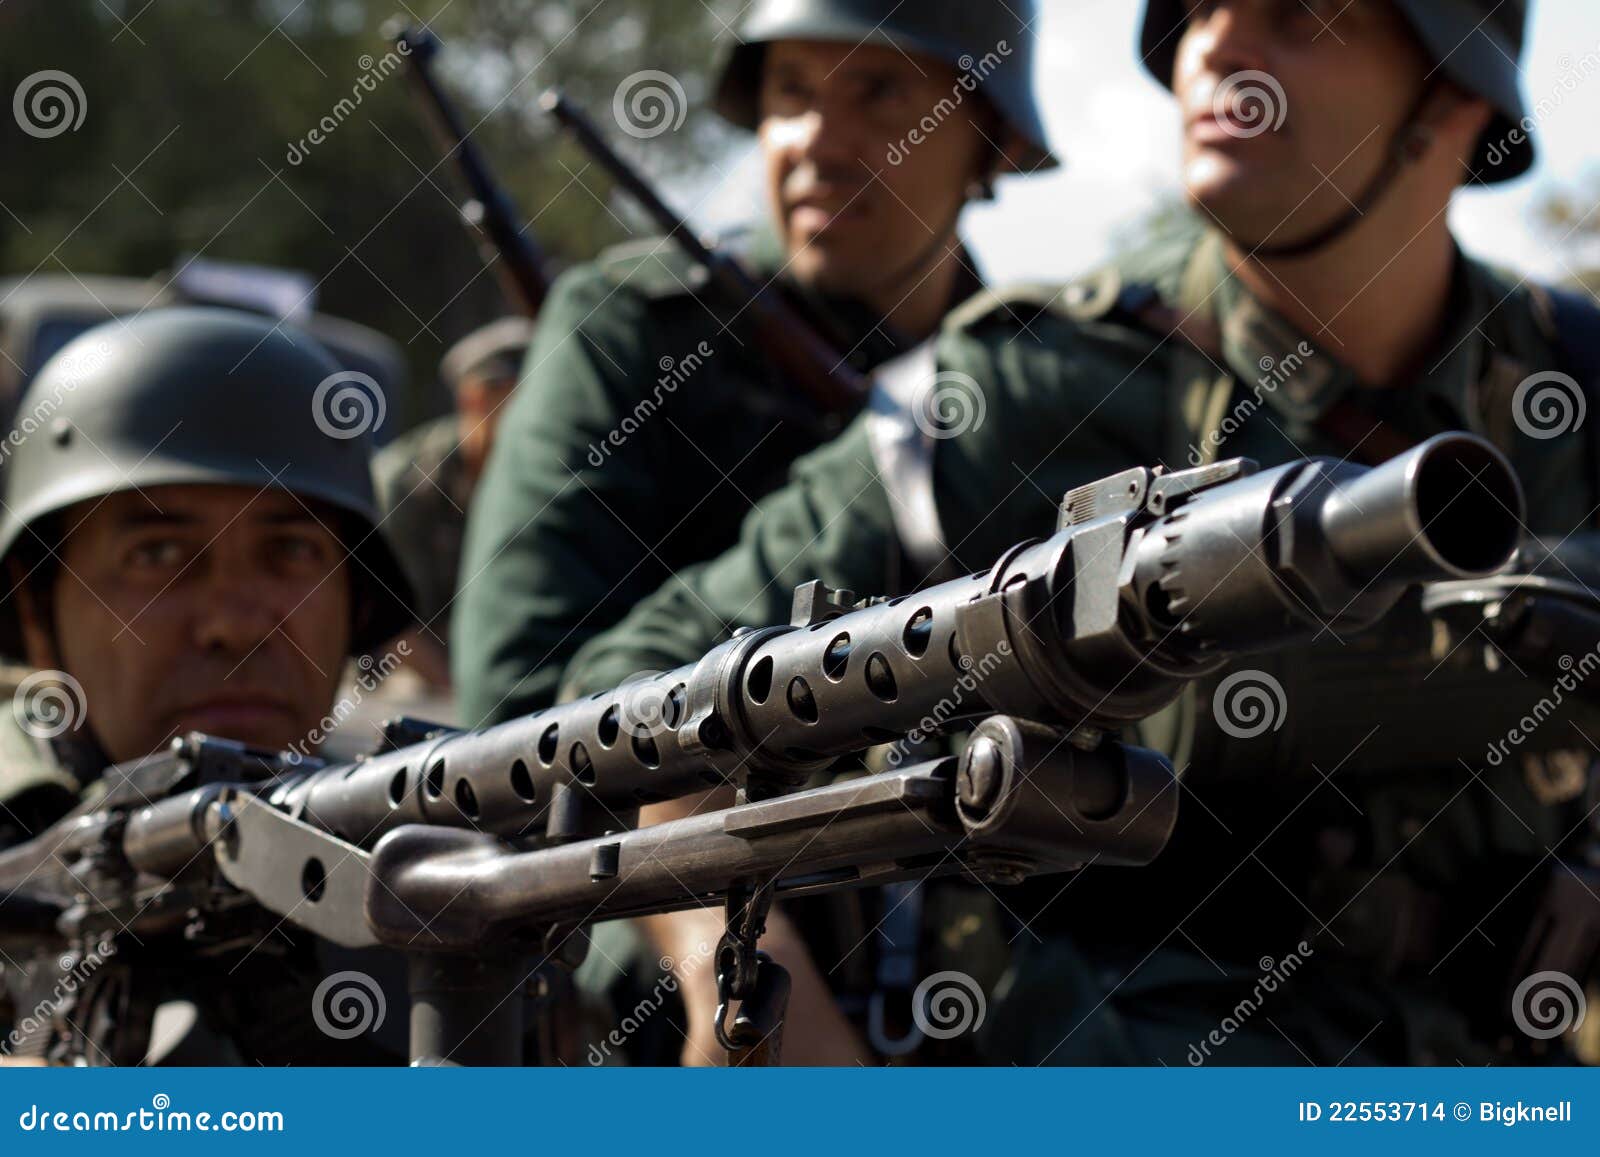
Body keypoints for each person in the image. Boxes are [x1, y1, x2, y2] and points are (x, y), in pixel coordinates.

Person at [561, 0, 1600, 1065]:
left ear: (1452, 96)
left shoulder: (1571, 386)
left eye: (1295, 17)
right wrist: (745, 990)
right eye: (1199, 14)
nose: (1215, 51)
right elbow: (635, 690)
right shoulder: (1034, 385)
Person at [454, 0, 1057, 1065]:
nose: (818, 140)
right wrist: (722, 944)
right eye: (789, 93)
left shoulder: (1035, 384)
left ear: (992, 141)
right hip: (652, 935)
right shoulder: (632, 332)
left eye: (879, 92)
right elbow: (518, 729)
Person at [0, 307, 416, 1064]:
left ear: (353, 599)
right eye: (157, 552)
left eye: (289, 549)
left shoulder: (422, 852)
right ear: (36, 609)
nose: (234, 622)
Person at [373, 316, 535, 690]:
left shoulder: (537, 479)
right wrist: (465, 700)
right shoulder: (407, 482)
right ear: (475, 398)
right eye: (522, 399)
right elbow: (395, 625)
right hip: (405, 680)